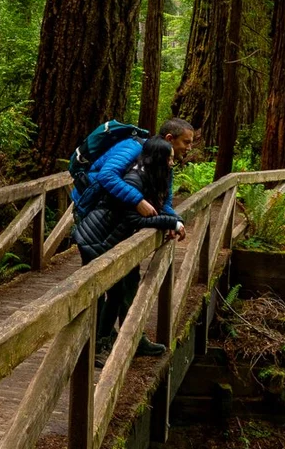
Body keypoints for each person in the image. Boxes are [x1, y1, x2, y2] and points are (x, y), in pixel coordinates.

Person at [72, 117, 202, 364]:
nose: (189, 147)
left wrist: (174, 220)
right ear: (169, 139)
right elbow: (107, 176)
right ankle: (93, 345)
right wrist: (137, 201)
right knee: (100, 285)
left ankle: (132, 335)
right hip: (95, 215)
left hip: (117, 223)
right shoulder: (133, 148)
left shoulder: (162, 164)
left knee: (128, 280)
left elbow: (163, 200)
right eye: (187, 141)